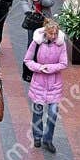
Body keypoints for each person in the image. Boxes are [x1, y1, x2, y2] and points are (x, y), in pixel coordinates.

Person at [24, 19, 68, 152]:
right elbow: (27, 60)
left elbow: (64, 63)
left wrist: (49, 68)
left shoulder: (61, 44)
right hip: (39, 82)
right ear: (45, 32)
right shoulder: (36, 42)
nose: (53, 36)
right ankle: (37, 136)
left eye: (55, 33)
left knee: (53, 114)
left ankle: (48, 139)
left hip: (54, 83)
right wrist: (39, 68)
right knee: (37, 112)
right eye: (51, 33)